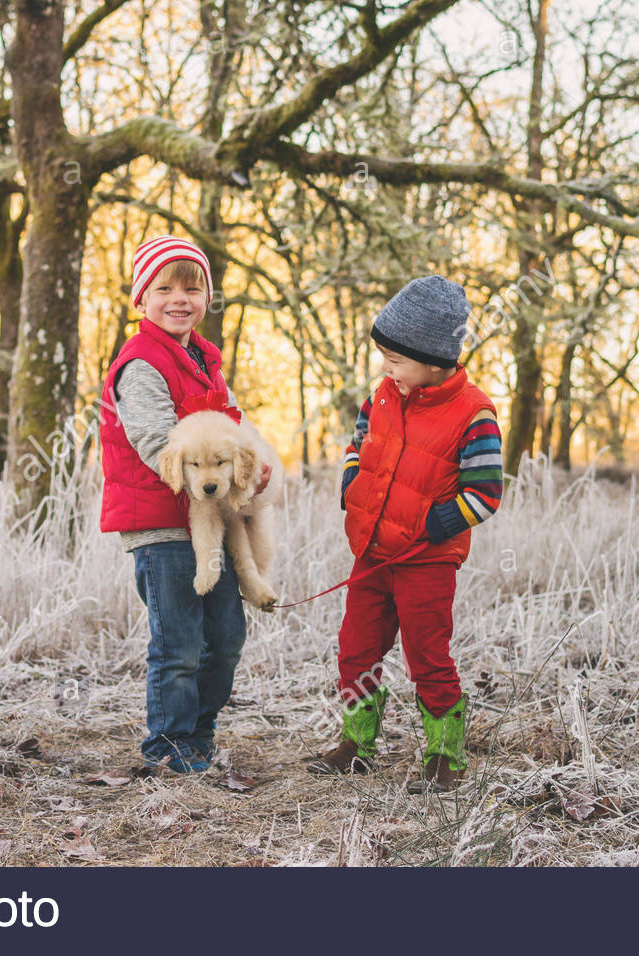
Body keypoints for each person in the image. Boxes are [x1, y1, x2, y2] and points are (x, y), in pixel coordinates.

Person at [308, 275, 503, 791]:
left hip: (426, 561)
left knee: (428, 658)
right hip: (371, 554)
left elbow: (485, 492)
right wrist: (352, 482)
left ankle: (445, 758)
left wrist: (438, 524)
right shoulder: (383, 396)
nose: (385, 368)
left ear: (434, 359)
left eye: (395, 360)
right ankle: (357, 743)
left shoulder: (473, 414)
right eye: (384, 357)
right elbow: (357, 445)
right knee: (354, 650)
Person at [98, 235, 270, 772]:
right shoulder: (140, 364)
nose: (179, 299)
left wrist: (250, 468)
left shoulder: (206, 360)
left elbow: (233, 427)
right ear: (142, 298)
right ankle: (169, 749)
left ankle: (199, 734)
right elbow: (156, 444)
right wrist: (210, 480)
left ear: (206, 298)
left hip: (212, 521)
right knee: (179, 645)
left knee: (226, 637)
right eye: (164, 288)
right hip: (160, 524)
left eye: (192, 288)